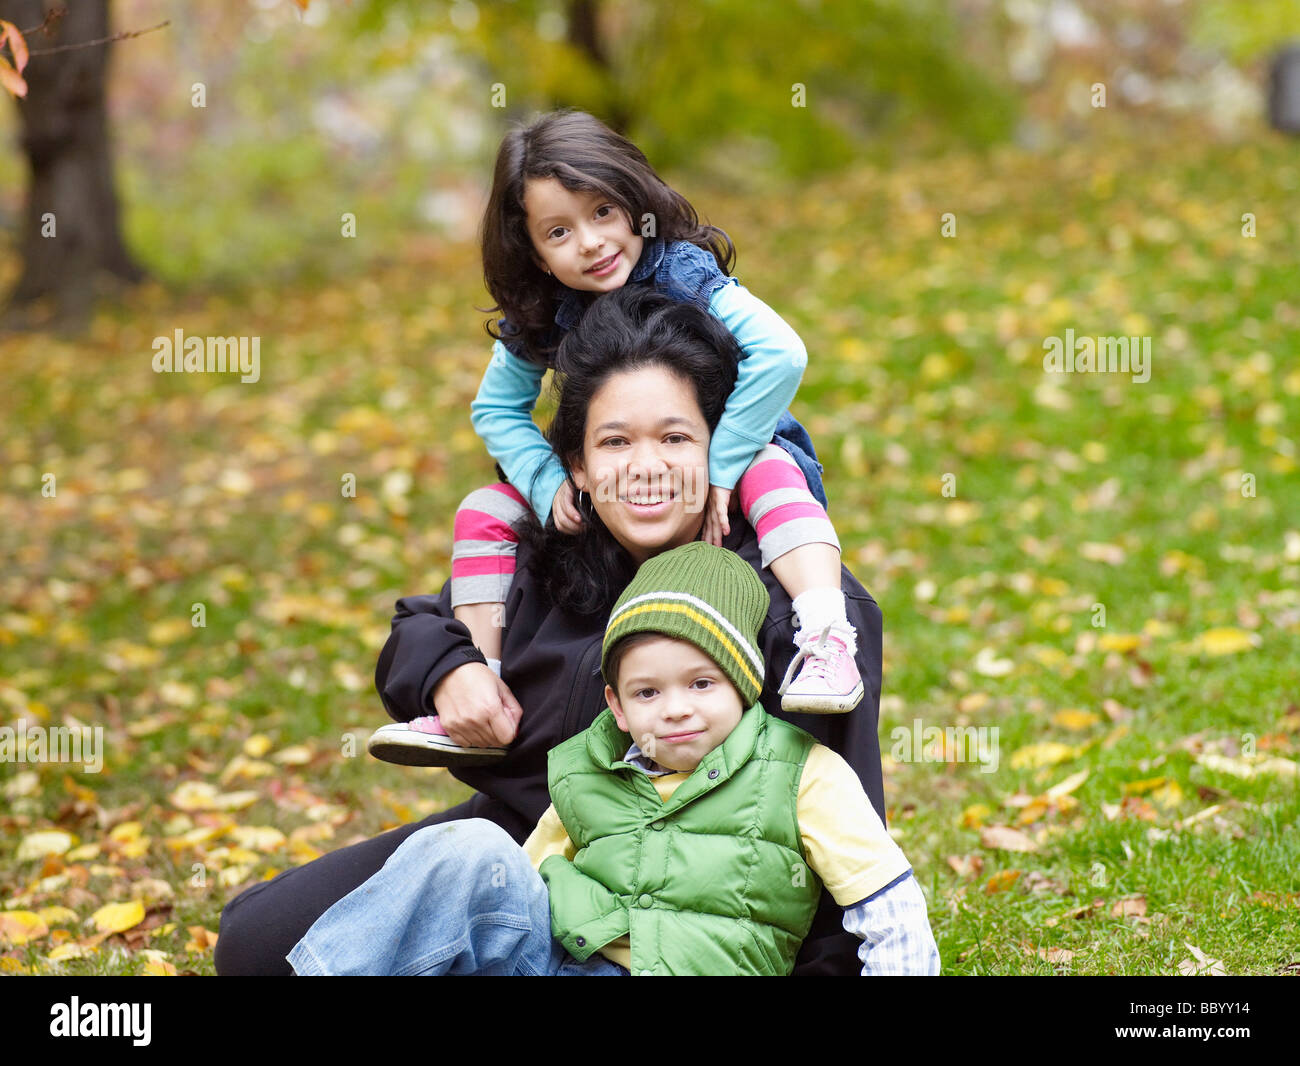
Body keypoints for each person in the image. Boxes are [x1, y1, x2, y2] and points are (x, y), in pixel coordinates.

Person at [214, 287, 886, 976]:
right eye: (615, 441)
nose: (646, 466)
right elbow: (417, 626)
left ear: (720, 450)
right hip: (519, 842)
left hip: (685, 900)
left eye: (676, 437)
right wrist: (453, 668)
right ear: (579, 468)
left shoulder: (788, 600)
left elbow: (844, 825)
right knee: (255, 946)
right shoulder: (548, 553)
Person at [429, 107, 860, 769]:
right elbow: (495, 408)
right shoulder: (543, 313)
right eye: (559, 232)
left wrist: (722, 463)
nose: (592, 243)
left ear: (633, 202)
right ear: (535, 253)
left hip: (728, 449)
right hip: (617, 484)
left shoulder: (681, 272)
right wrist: (548, 483)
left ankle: (826, 636)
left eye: (603, 213)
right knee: (483, 509)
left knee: (770, 470)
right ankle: (481, 676)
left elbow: (782, 352)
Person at [289, 543, 939, 976]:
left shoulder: (802, 775)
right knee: (467, 847)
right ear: (618, 706)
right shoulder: (585, 769)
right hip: (564, 959)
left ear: (744, 686)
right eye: (649, 692)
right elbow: (520, 881)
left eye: (702, 684)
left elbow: (890, 908)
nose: (676, 708)